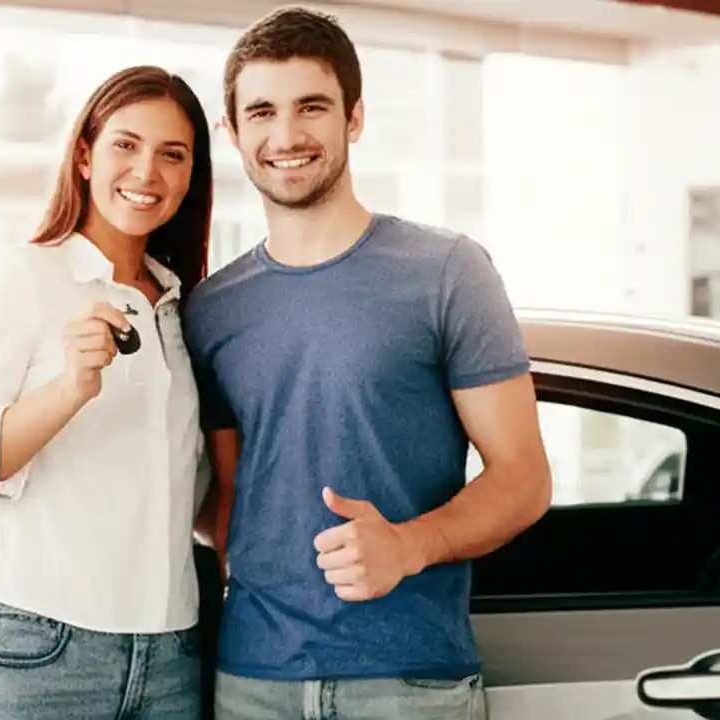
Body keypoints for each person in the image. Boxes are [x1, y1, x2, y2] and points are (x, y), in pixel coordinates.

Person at [184, 7, 553, 719]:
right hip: (252, 683)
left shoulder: (447, 271)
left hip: (410, 684)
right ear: (232, 133)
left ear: (354, 118)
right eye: (261, 112)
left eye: (311, 107)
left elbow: (525, 478)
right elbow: (228, 505)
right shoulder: (213, 309)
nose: (286, 136)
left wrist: (410, 547)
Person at [0, 65, 214, 719]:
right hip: (37, 649)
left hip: (170, 655)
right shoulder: (20, 277)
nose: (147, 174)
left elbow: (188, 493)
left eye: (174, 155)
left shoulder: (180, 304)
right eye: (126, 145)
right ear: (84, 155)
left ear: (193, 174)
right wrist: (69, 390)